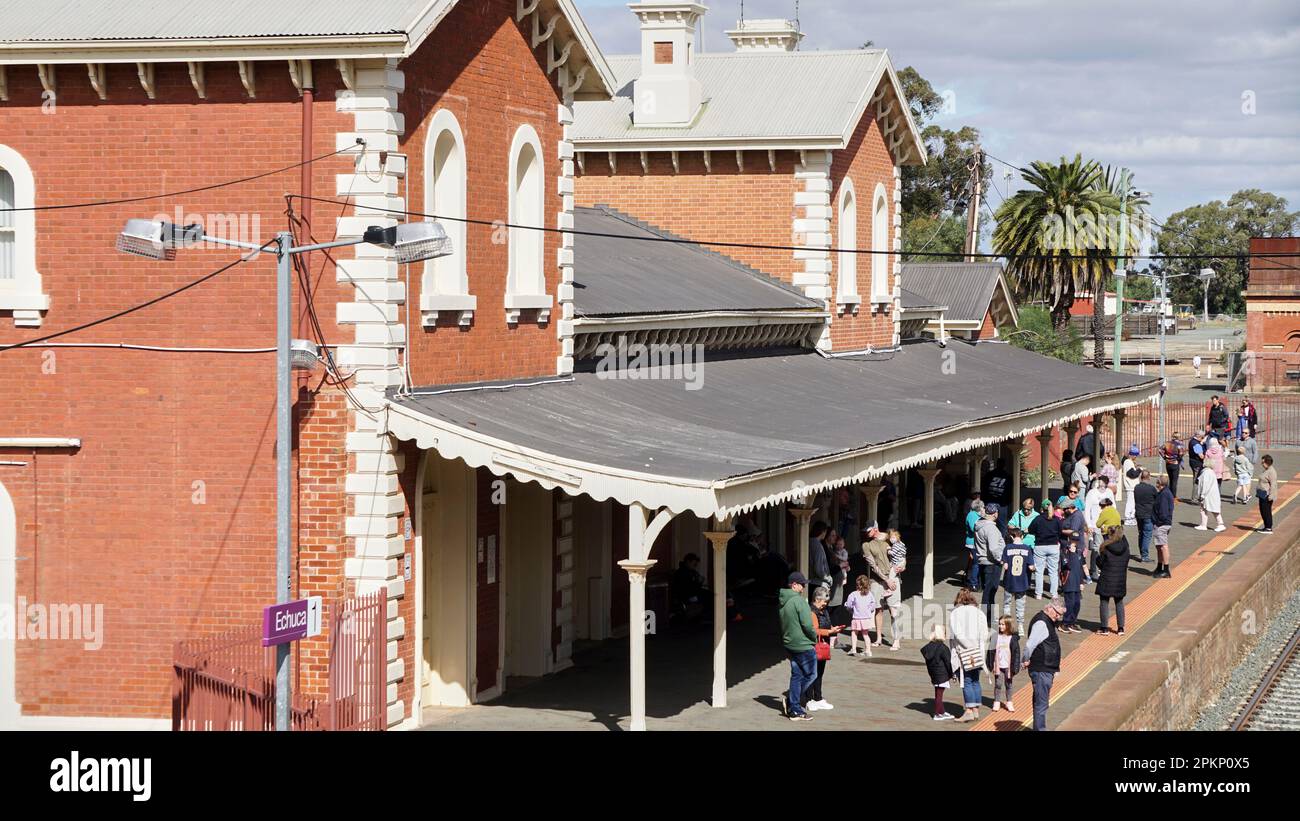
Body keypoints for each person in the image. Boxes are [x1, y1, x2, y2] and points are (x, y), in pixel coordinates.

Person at [778, 572, 818, 721]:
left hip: (789, 643)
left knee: (797, 675)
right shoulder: (799, 601)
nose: (804, 587)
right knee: (811, 674)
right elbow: (807, 625)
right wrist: (813, 637)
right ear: (794, 585)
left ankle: (793, 706)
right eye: (802, 584)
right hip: (803, 644)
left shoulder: (783, 601)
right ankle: (793, 705)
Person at [1023, 596, 1065, 730]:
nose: (1058, 617)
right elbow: (1029, 645)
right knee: (1041, 704)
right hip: (1042, 669)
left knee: (1040, 701)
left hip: (1045, 669)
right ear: (1049, 608)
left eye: (1061, 615)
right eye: (1057, 613)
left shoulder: (1047, 620)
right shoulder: (1042, 623)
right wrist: (1025, 659)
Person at [949, 589, 988, 722]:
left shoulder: (956, 613)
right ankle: (976, 709)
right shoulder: (980, 613)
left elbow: (957, 634)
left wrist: (968, 646)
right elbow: (985, 634)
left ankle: (969, 711)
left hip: (964, 652)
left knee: (966, 681)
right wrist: (977, 648)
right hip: (978, 652)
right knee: (975, 680)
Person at [804, 586, 844, 712]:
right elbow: (814, 630)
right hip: (814, 646)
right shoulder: (812, 612)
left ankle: (818, 698)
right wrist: (829, 631)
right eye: (824, 601)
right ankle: (809, 699)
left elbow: (827, 624)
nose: (825, 604)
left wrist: (834, 629)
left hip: (823, 646)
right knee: (812, 673)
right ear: (816, 599)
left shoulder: (824, 611)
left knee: (820, 673)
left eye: (826, 602)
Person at [863, 531, 901, 650]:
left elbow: (900, 553)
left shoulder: (889, 538)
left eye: (868, 530)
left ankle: (896, 639)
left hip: (892, 577)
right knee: (878, 608)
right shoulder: (867, 545)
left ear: (875, 529)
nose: (866, 532)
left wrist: (902, 564)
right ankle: (878, 637)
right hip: (877, 579)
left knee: (893, 609)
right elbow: (872, 565)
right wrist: (886, 579)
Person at [1095, 524, 1131, 635]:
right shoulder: (1126, 548)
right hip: (1120, 578)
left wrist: (1098, 559)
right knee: (1119, 602)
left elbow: (1100, 563)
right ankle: (1120, 628)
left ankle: (1104, 628)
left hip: (1106, 578)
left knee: (1104, 602)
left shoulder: (1106, 548)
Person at [974, 503, 1006, 627]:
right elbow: (993, 548)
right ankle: (985, 619)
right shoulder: (991, 528)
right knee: (989, 592)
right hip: (992, 563)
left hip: (983, 561)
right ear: (995, 513)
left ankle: (990, 617)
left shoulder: (979, 524)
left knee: (989, 591)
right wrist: (1000, 559)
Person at [1001, 527, 1035, 634]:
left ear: (1011, 536)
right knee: (1020, 605)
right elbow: (1031, 567)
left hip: (1009, 582)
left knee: (1007, 604)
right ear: (1022, 536)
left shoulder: (1007, 548)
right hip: (1022, 582)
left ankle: (1006, 626)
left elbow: (1005, 566)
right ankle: (1020, 626)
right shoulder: (1027, 549)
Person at [987, 614, 1022, 712]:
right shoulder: (995, 637)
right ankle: (997, 702)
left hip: (1008, 666)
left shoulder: (1013, 639)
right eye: (1000, 624)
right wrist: (990, 663)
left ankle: (1009, 702)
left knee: (1009, 684)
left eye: (1003, 624)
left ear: (1009, 625)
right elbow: (990, 651)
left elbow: (1016, 654)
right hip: (998, 665)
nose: (1000, 626)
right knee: (998, 684)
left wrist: (1015, 667)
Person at [921, 623, 956, 721]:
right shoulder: (943, 648)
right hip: (942, 674)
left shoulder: (929, 647)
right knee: (939, 695)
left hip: (934, 674)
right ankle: (937, 713)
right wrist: (952, 674)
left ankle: (941, 711)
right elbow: (949, 663)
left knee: (938, 693)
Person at [1028, 498, 1062, 599]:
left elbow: (1030, 530)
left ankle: (1038, 594)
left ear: (1042, 509)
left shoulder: (1038, 519)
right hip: (1053, 546)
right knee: (1053, 571)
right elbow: (1060, 531)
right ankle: (1054, 594)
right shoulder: (1056, 519)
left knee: (1039, 571)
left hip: (1040, 546)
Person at [843, 575, 877, 657]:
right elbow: (873, 604)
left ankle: (853, 649)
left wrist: (848, 607)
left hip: (857, 617)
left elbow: (849, 605)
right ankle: (868, 651)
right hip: (866, 618)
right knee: (865, 634)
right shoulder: (870, 594)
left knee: (854, 632)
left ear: (858, 585)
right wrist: (869, 610)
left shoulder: (853, 594)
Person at [1059, 532, 1085, 633]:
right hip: (1068, 580)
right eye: (1073, 540)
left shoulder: (1079, 551)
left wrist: (1081, 581)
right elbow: (1067, 565)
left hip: (1077, 580)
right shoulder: (1065, 551)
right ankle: (1064, 623)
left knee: (1077, 604)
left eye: (1076, 540)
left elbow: (1080, 567)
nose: (1075, 542)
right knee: (1069, 603)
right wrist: (1072, 553)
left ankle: (1072, 622)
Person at [1132, 469, 1157, 563]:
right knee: (1147, 534)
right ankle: (1145, 556)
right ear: (1149, 477)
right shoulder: (1151, 489)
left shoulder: (1136, 488)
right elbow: (1157, 499)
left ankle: (1142, 553)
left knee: (1141, 533)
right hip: (1148, 514)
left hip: (1138, 514)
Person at [1152, 475, 1175, 579]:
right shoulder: (1164, 493)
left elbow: (1164, 511)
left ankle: (1166, 569)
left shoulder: (1164, 494)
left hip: (1162, 524)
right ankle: (1159, 567)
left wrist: (1158, 522)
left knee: (1163, 546)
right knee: (1159, 546)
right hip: (1162, 523)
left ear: (1160, 484)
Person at [1195, 461, 1225, 532]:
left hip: (1208, 495)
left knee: (1206, 509)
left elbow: (1205, 485)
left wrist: (1202, 495)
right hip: (1212, 494)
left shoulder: (1206, 473)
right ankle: (1204, 524)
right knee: (1210, 509)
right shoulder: (1211, 472)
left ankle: (1219, 524)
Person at [964, 498, 985, 592]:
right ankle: (973, 583)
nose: (984, 509)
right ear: (979, 507)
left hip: (977, 542)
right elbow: (974, 528)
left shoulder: (976, 515)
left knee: (975, 562)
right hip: (973, 542)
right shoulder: (972, 515)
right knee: (977, 563)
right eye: (983, 507)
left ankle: (973, 580)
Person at [808, 521, 832, 597]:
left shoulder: (808, 542)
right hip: (818, 583)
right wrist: (829, 579)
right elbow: (819, 568)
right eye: (825, 532)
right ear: (822, 532)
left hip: (810, 582)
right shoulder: (817, 545)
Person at [1121, 445, 1142, 525]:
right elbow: (1132, 474)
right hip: (1131, 486)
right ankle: (1128, 518)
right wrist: (1139, 470)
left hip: (1131, 486)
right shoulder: (1128, 462)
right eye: (1136, 455)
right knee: (1131, 502)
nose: (1136, 457)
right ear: (1133, 455)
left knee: (1132, 502)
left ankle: (1131, 517)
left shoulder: (1128, 462)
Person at [1257, 454, 1277, 535]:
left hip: (1267, 495)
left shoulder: (1271, 472)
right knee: (1262, 511)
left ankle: (1268, 527)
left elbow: (1273, 484)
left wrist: (1271, 495)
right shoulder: (1266, 470)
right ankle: (1266, 526)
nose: (1262, 464)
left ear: (1267, 462)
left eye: (1263, 462)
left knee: (1266, 511)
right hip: (1262, 494)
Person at [1161, 434, 1184, 499]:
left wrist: (1165, 457)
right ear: (1178, 437)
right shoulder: (1179, 445)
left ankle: (1168, 493)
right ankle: (1173, 496)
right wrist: (1178, 459)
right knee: (1174, 481)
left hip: (1168, 463)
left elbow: (1160, 450)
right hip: (1175, 463)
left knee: (1170, 479)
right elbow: (1181, 453)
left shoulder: (1167, 443)